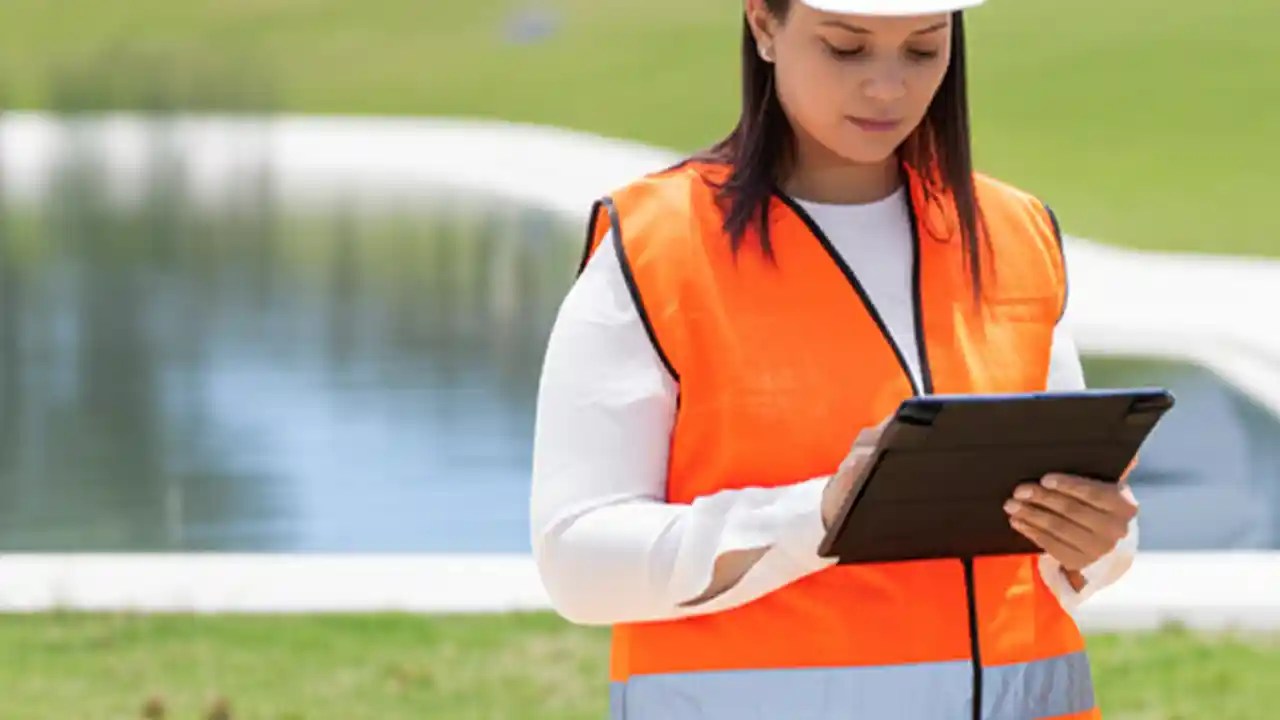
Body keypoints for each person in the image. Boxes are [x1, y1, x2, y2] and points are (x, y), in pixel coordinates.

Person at [530, 0, 1141, 717]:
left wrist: (1096, 541)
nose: (888, 87)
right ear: (764, 26)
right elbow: (576, 562)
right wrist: (816, 516)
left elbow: (1081, 550)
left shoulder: (1012, 235)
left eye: (922, 51)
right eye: (847, 50)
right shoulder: (658, 246)